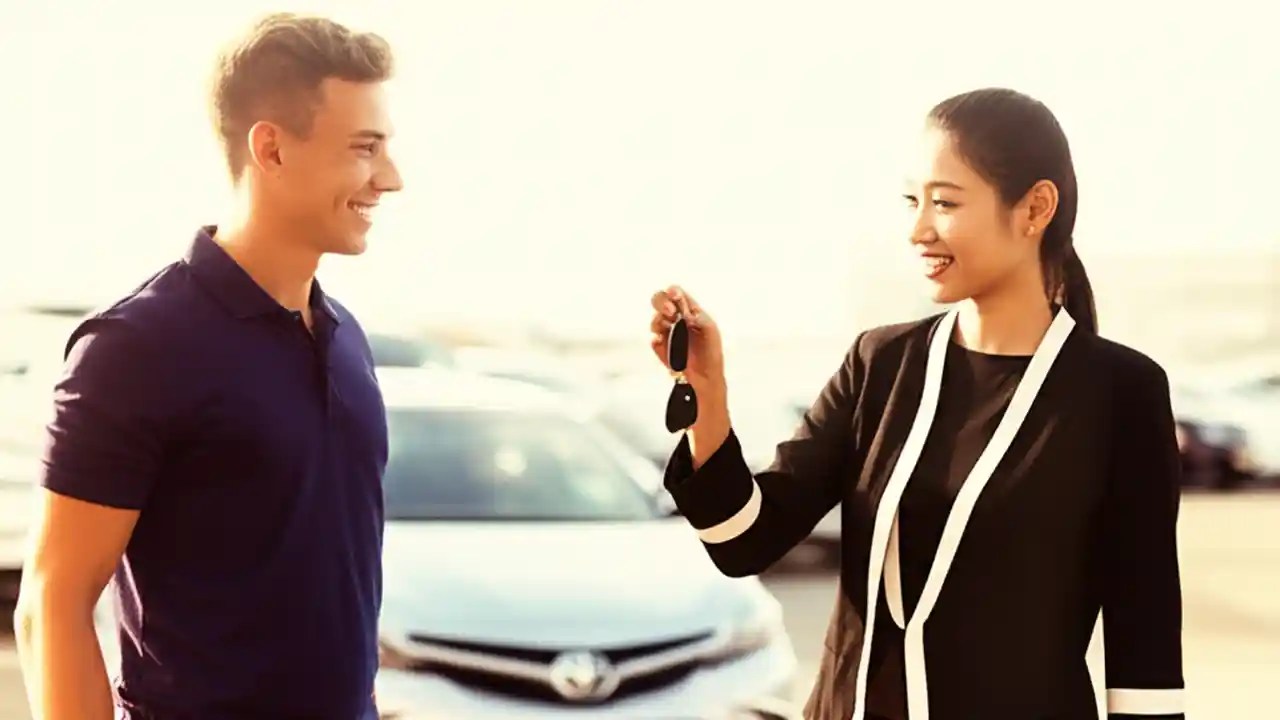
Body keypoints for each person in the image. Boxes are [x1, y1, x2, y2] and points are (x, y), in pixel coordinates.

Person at [649, 88, 1184, 720]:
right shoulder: (880, 363)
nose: (918, 229)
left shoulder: (1119, 393)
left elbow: (1143, 637)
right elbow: (744, 540)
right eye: (913, 201)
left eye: (946, 203)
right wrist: (709, 395)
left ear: (1035, 207)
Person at [13, 12, 403, 720]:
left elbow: (334, 591)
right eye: (364, 149)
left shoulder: (347, 341)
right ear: (272, 149)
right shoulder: (138, 347)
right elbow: (54, 602)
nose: (391, 179)